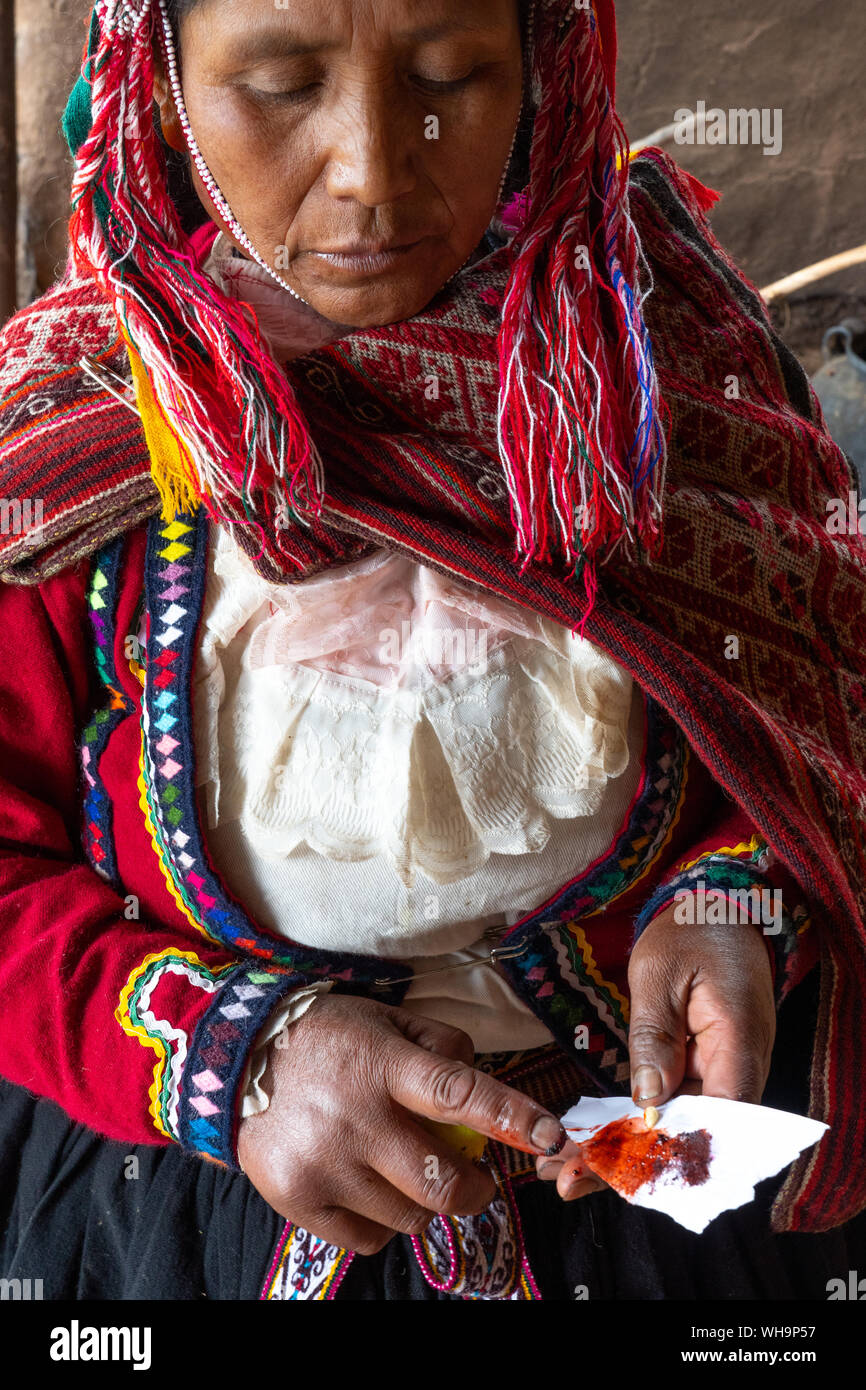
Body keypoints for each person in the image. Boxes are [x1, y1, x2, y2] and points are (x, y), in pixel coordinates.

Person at [0, 0, 864, 1301]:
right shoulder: (65, 444)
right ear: (163, 84)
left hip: (666, 1214)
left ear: (545, 68)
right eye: (282, 83)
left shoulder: (674, 377)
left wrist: (729, 904)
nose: (373, 171)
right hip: (182, 1225)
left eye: (452, 75)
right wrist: (241, 1062)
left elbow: (811, 733)